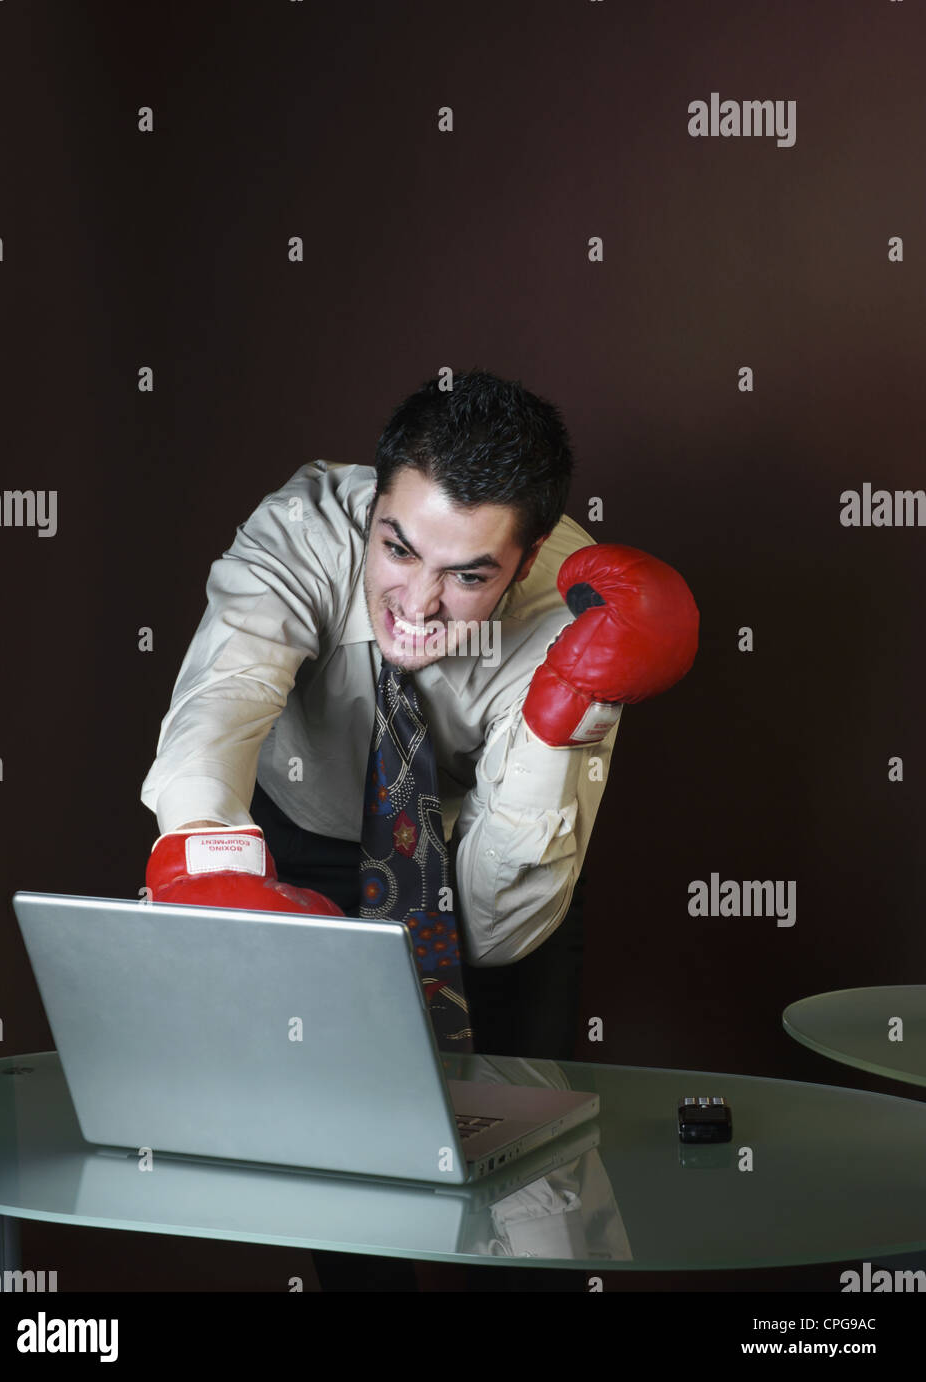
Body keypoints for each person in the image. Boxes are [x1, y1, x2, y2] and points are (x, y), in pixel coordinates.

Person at [140, 369, 698, 1291]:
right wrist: (207, 859)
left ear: (522, 563)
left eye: (467, 574)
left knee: (532, 1177)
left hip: (482, 851)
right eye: (398, 550)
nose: (417, 602)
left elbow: (492, 926)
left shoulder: (580, 610)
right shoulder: (306, 524)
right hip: (309, 832)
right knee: (339, 1163)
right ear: (375, 507)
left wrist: (567, 713)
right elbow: (225, 694)